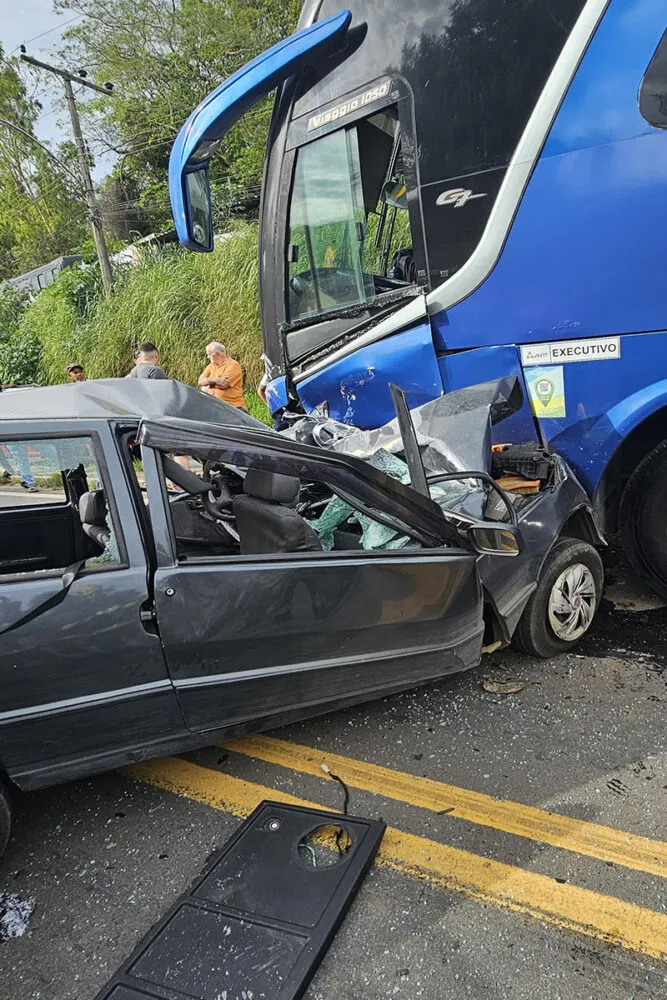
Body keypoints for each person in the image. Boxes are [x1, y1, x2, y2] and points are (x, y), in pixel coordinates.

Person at [198, 342, 246, 409]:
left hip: (233, 407)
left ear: (217, 354)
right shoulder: (211, 366)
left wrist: (208, 383)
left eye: (209, 354)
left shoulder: (233, 365)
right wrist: (216, 380)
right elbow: (200, 381)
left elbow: (222, 386)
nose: (208, 357)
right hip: (216, 407)